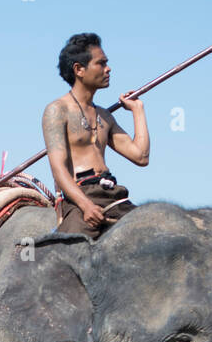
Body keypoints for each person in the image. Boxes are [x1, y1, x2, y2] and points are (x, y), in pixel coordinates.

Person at [42, 33, 150, 239]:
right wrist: (86, 206)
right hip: (82, 196)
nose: (108, 69)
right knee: (63, 254)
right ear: (79, 69)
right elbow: (58, 169)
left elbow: (141, 157)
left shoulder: (105, 116)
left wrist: (138, 110)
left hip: (114, 195)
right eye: (101, 64)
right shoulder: (57, 110)